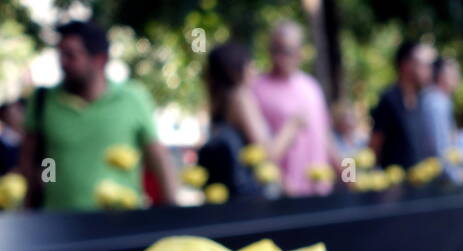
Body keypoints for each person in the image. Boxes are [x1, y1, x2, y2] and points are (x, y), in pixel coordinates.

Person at [20, 20, 177, 210]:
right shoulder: (42, 100)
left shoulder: (133, 99)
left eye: (71, 55)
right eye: (60, 54)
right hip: (56, 219)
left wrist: (172, 209)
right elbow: (29, 161)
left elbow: (157, 157)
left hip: (120, 220)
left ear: (99, 60)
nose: (63, 62)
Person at [200, 42, 303, 198]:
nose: (254, 70)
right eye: (250, 64)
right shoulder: (240, 98)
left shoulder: (220, 102)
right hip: (248, 195)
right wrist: (292, 126)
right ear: (237, 69)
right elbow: (266, 153)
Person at [251, 20, 336, 195]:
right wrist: (280, 182)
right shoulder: (256, 88)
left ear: (300, 52)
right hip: (282, 194)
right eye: (275, 50)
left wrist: (350, 173)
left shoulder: (311, 86)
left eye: (287, 51)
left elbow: (325, 136)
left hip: (319, 191)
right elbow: (256, 147)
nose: (279, 57)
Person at [369, 40, 433, 169]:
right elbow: (375, 144)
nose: (428, 70)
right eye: (423, 64)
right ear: (406, 65)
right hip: (394, 179)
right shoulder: (389, 100)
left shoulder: (422, 99)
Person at [421, 56, 460, 160]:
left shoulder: (439, 100)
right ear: (440, 75)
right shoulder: (436, 103)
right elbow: (441, 147)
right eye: (453, 73)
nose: (458, 77)